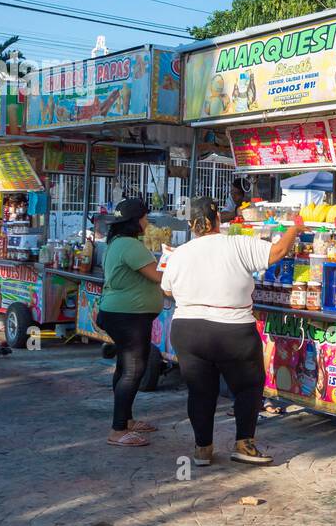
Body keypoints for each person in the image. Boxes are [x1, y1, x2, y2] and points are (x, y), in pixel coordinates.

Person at [161, 196, 304, 466]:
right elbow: (276, 253)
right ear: (218, 220)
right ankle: (244, 445)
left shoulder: (179, 253)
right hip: (233, 329)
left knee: (200, 391)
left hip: (188, 329)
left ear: (192, 225)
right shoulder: (237, 243)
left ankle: (202, 450)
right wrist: (294, 229)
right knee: (248, 387)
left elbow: (167, 290)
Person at [97, 197, 165, 448]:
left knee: (125, 367)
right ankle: (117, 430)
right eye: (145, 217)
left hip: (120, 313)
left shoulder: (117, 242)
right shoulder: (130, 246)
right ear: (134, 221)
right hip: (128, 317)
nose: (147, 222)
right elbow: (157, 276)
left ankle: (125, 420)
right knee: (134, 369)